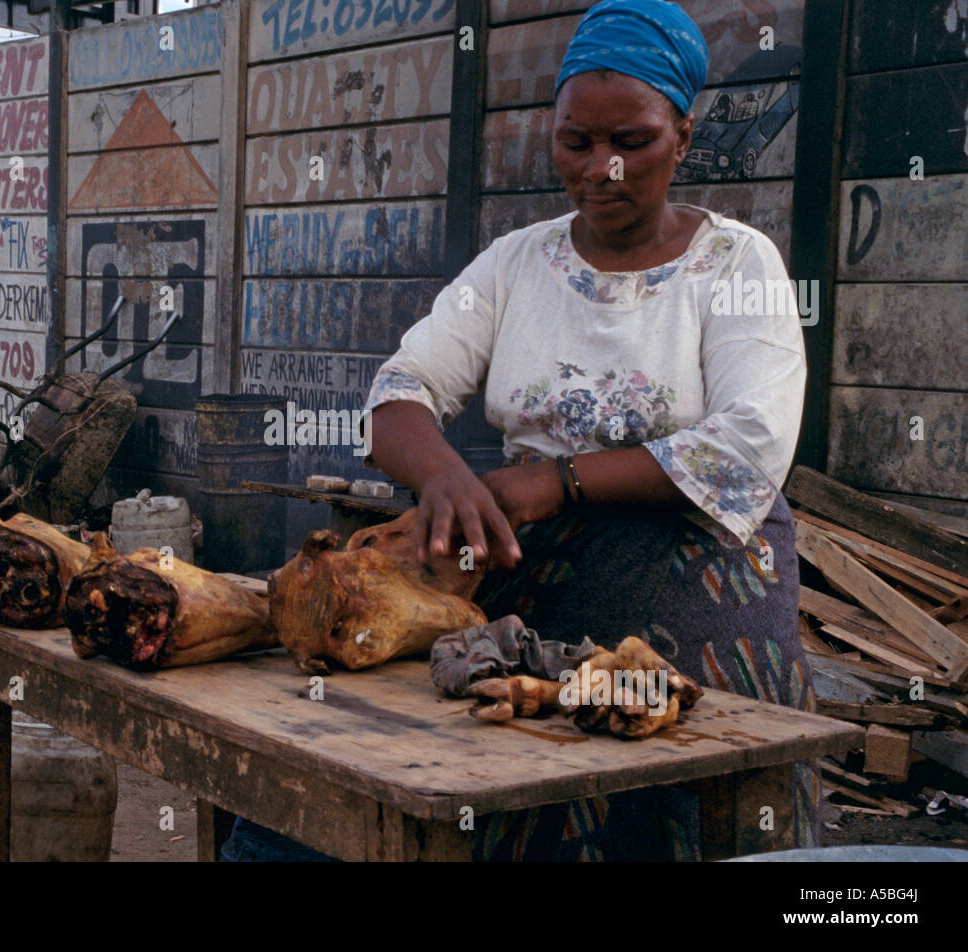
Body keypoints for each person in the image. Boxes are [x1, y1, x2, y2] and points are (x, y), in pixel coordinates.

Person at [223, 0, 815, 861]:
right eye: (577, 143)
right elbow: (400, 389)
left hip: (697, 588)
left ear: (683, 137)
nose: (602, 169)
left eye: (634, 143)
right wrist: (441, 477)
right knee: (382, 786)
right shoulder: (514, 264)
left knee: (662, 788)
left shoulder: (735, 265)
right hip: (533, 581)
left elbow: (748, 447)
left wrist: (553, 481)